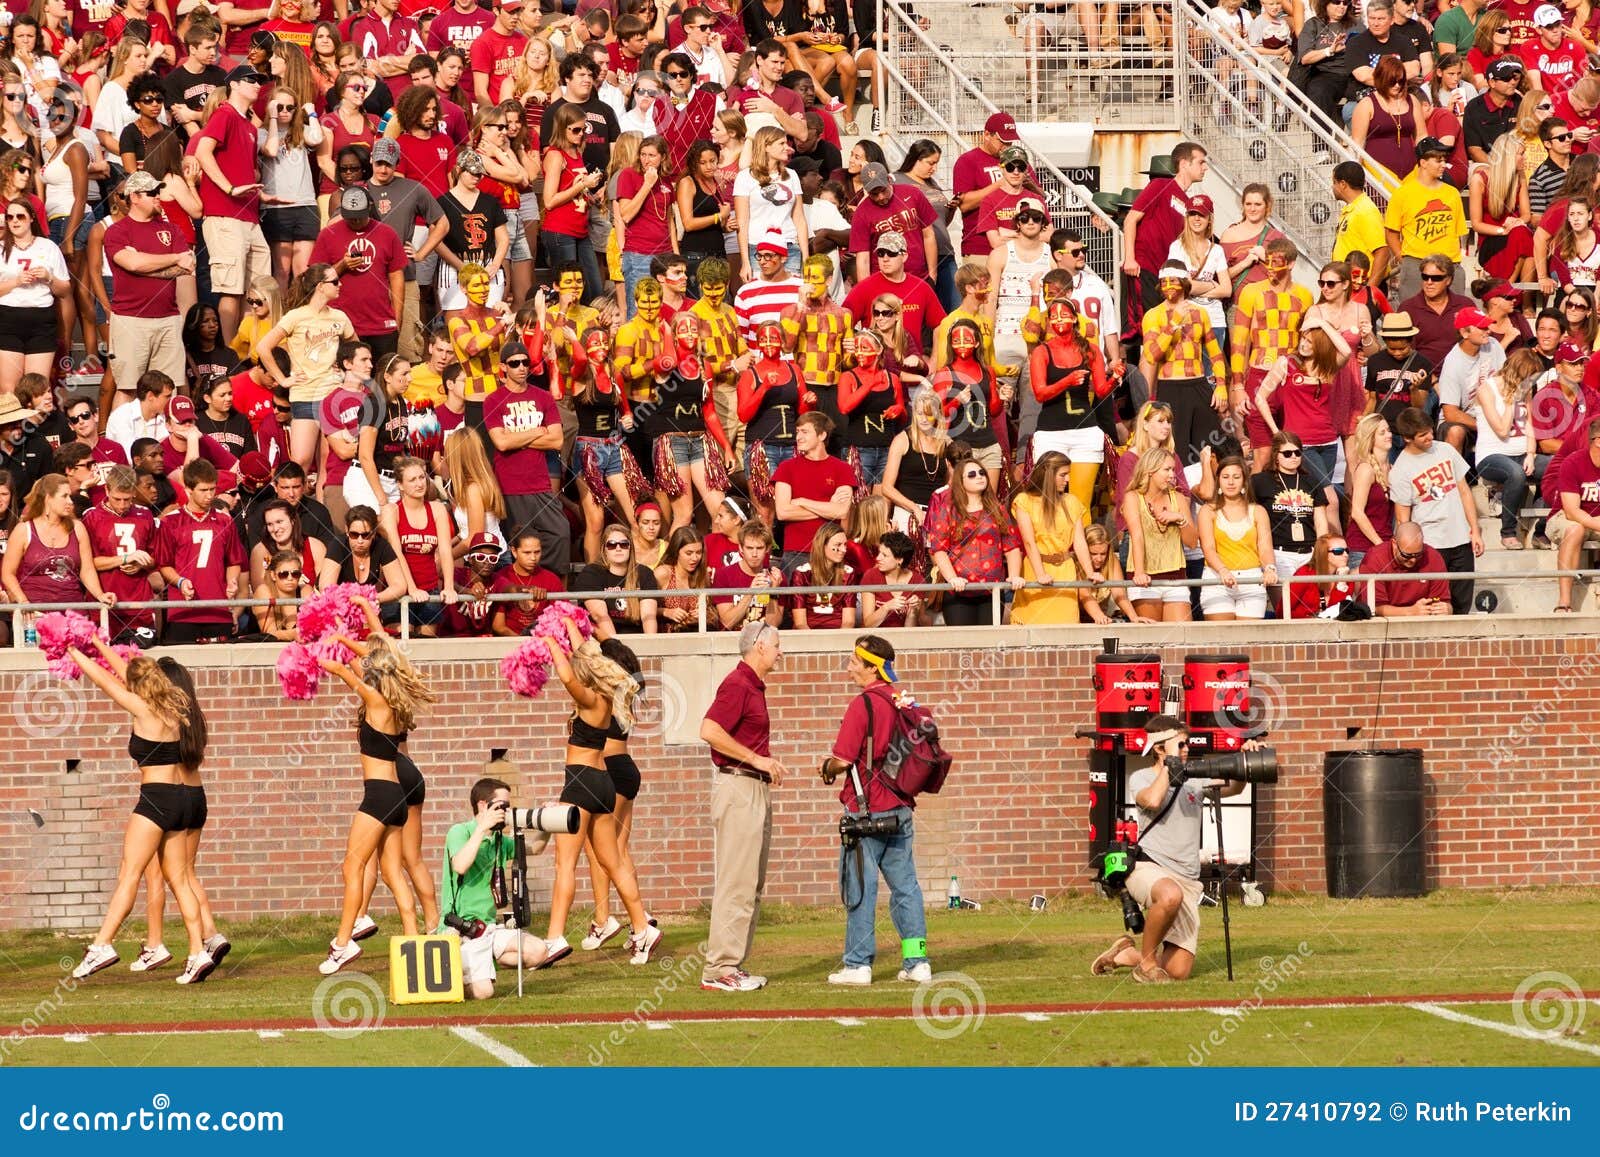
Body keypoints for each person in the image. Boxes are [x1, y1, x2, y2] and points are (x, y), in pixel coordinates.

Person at [66, 644, 220, 985]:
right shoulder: (174, 708)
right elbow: (124, 672)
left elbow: (106, 682)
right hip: (182, 798)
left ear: (137, 688)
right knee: (180, 880)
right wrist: (96, 640)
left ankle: (102, 945)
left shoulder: (142, 709)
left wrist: (74, 652)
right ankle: (197, 953)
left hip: (154, 800)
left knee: (129, 874)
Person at [313, 597, 433, 974]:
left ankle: (342, 943)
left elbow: (334, 666)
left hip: (379, 797)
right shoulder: (394, 697)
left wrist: (321, 642)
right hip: (395, 796)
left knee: (353, 866)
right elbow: (379, 652)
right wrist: (347, 624)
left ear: (373, 672)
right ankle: (415, 940)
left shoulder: (372, 696)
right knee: (393, 872)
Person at [534, 613, 662, 966]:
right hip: (603, 784)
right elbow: (585, 654)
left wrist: (547, 642)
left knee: (565, 863)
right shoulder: (608, 695)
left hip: (580, 783)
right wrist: (567, 624)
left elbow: (566, 675)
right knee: (614, 862)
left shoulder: (590, 699)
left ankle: (554, 938)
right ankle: (641, 927)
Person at [1089, 715, 1248, 983]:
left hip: (1187, 878)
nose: (1187, 750)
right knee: (1169, 894)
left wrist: (1243, 759)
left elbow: (1233, 787)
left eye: (1187, 745)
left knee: (1178, 972)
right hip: (1149, 867)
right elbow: (1151, 800)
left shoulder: (1196, 779)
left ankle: (1127, 955)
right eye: (1181, 745)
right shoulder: (1141, 778)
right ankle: (1147, 963)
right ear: (1160, 749)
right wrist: (1169, 768)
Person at [815, 633, 931, 985]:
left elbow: (842, 759)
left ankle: (857, 964)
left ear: (872, 668)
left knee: (860, 890)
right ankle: (917, 961)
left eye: (854, 661)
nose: (849, 667)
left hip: (865, 814)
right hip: (900, 811)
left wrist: (824, 768)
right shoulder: (904, 702)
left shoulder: (862, 705)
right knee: (906, 888)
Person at [698, 620, 785, 992]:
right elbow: (709, 730)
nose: (782, 652)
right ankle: (719, 969)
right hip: (738, 787)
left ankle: (732, 964)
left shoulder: (752, 685)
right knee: (737, 882)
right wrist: (758, 760)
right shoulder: (737, 683)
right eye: (778, 645)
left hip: (752, 788)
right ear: (760, 647)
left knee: (750, 882)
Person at [441, 770, 550, 997]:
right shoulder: (459, 831)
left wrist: (547, 823)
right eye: (502, 806)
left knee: (539, 952)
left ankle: (482, 964)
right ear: (483, 806)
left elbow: (535, 849)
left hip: (489, 928)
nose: (506, 812)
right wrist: (482, 829)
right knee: (484, 994)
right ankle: (458, 971)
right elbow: (460, 865)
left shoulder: (499, 840)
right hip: (461, 929)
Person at [195, 65, 274, 346]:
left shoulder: (246, 123)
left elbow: (244, 169)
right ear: (235, 85)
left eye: (259, 80)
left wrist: (260, 196)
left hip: (249, 214)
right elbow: (203, 152)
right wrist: (229, 188)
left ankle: (246, 347)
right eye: (251, 80)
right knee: (231, 288)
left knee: (257, 289)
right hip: (224, 213)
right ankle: (229, 352)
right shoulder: (225, 113)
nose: (257, 85)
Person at [257, 263, 358, 474]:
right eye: (335, 281)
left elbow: (357, 351)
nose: (340, 284)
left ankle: (322, 506)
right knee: (300, 461)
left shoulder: (340, 317)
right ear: (320, 286)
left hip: (332, 396)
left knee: (326, 462)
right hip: (304, 395)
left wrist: (348, 374)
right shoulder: (296, 316)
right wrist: (283, 380)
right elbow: (263, 347)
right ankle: (292, 506)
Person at [484, 331, 569, 576]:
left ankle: (548, 583)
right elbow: (501, 443)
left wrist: (516, 438)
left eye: (525, 362)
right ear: (503, 367)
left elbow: (556, 440)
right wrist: (536, 431)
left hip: (540, 483)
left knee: (560, 534)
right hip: (509, 485)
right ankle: (525, 591)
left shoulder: (543, 397)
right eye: (515, 363)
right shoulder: (493, 400)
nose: (522, 367)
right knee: (519, 544)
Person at [1389, 405, 1483, 615]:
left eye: (1431, 430)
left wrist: (1475, 530)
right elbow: (1403, 517)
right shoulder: (1401, 469)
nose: (1430, 436)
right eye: (1423, 435)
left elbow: (1465, 491)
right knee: (1435, 603)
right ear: (1407, 438)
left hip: (1460, 538)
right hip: (1431, 543)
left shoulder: (1445, 449)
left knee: (1461, 602)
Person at [1144, 264, 1227, 468]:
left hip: (1198, 385)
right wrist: (1173, 324)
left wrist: (1221, 385)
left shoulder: (1200, 313)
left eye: (1173, 280)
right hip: (1170, 388)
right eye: (1163, 282)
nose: (1167, 286)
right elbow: (1152, 355)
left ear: (1184, 282)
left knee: (1210, 451)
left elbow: (1216, 353)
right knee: (1176, 452)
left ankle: (1207, 496)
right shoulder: (1153, 315)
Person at [153, 459, 245, 644]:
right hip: (182, 612)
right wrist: (180, 582)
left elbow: (234, 562)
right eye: (203, 490)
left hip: (218, 610)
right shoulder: (170, 522)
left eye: (212, 489)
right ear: (188, 489)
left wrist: (232, 581)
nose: (210, 495)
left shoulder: (224, 521)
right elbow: (163, 565)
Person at [1, 472, 116, 610]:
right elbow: (8, 573)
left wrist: (100, 595)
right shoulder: (23, 530)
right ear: (48, 498)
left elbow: (87, 570)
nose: (70, 502)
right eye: (64, 496)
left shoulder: (78, 528)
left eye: (70, 496)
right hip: (35, 612)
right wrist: (23, 602)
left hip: (73, 610)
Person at [1010, 450, 1099, 625]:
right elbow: (1029, 542)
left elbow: (1079, 541)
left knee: (1065, 626)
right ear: (1048, 475)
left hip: (1065, 570)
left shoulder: (1072, 502)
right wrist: (1040, 574)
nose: (1067, 480)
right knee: (1033, 626)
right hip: (1036, 567)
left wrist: (1090, 572)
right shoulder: (1024, 500)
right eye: (1063, 475)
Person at [1383, 137, 1468, 300]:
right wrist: (1406, 261)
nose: (1444, 164)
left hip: (1450, 264)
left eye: (1444, 160)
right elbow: (1391, 233)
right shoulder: (1402, 194)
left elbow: (1459, 232)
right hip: (1416, 265)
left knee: (1454, 320)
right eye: (1438, 160)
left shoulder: (1452, 193)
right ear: (1423, 162)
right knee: (1412, 319)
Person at [381, 455, 458, 636]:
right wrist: (412, 588)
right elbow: (396, 552)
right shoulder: (392, 510)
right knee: (402, 643)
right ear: (400, 485)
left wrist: (448, 586)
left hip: (429, 587)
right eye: (412, 480)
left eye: (422, 477)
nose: (419, 484)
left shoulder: (437, 509)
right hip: (398, 588)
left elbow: (446, 551)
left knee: (426, 645)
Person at [0, 196, 68, 395]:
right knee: (8, 390)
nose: (14, 221)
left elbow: (64, 290)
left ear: (31, 218)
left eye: (20, 216)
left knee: (37, 389)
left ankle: (35, 427)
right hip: (7, 320)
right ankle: (12, 428)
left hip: (41, 321)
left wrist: (48, 277)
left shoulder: (48, 247)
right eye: (9, 217)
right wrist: (16, 281)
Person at [1198, 455, 1277, 621]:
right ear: (1218, 480)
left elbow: (1265, 547)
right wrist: (1223, 571)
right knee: (1221, 640)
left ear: (1244, 481)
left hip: (1251, 580)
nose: (1231, 482)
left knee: (1249, 642)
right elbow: (1208, 548)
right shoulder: (1207, 510)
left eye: (1236, 477)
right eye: (1225, 477)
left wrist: (1270, 567)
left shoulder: (1258, 511)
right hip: (1217, 580)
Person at [1547, 415, 1600, 610]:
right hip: (1564, 517)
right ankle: (1564, 602)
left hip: (1594, 519)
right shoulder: (1573, 462)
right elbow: (1571, 511)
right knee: (1576, 529)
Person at [574, 520, 660, 636]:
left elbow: (648, 616)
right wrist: (619, 650)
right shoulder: (591, 573)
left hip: (637, 638)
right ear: (604, 549)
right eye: (612, 545)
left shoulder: (644, 573)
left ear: (630, 548)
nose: (618, 548)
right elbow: (599, 616)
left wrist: (650, 648)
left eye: (624, 544)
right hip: (604, 640)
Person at [1359, 519, 1452, 615]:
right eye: (1407, 555)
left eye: (1418, 555)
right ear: (1394, 544)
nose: (1413, 560)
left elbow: (1445, 602)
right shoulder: (1375, 558)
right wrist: (1411, 611)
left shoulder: (1433, 557)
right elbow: (1375, 608)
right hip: (1385, 623)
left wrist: (1445, 609)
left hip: (1424, 620)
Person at [1347, 414, 1396, 566]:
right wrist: (1380, 544)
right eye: (1382, 433)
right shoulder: (1365, 469)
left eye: (1388, 430)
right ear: (1371, 438)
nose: (1389, 435)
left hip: (1387, 544)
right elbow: (1357, 512)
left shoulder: (1392, 469)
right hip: (1363, 547)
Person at [1332, 161, 1387, 274]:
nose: (1332, 187)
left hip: (1362, 284)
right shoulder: (1354, 209)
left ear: (1343, 184)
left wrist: (1370, 289)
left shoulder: (1366, 210)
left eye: (1334, 182)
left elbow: (1382, 252)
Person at [1287, 533, 1358, 619]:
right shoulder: (1305, 573)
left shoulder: (1346, 578)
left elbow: (1338, 612)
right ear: (1324, 554)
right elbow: (1283, 610)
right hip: (1301, 626)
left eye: (1347, 550)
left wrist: (1341, 582)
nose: (1346, 555)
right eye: (1338, 551)